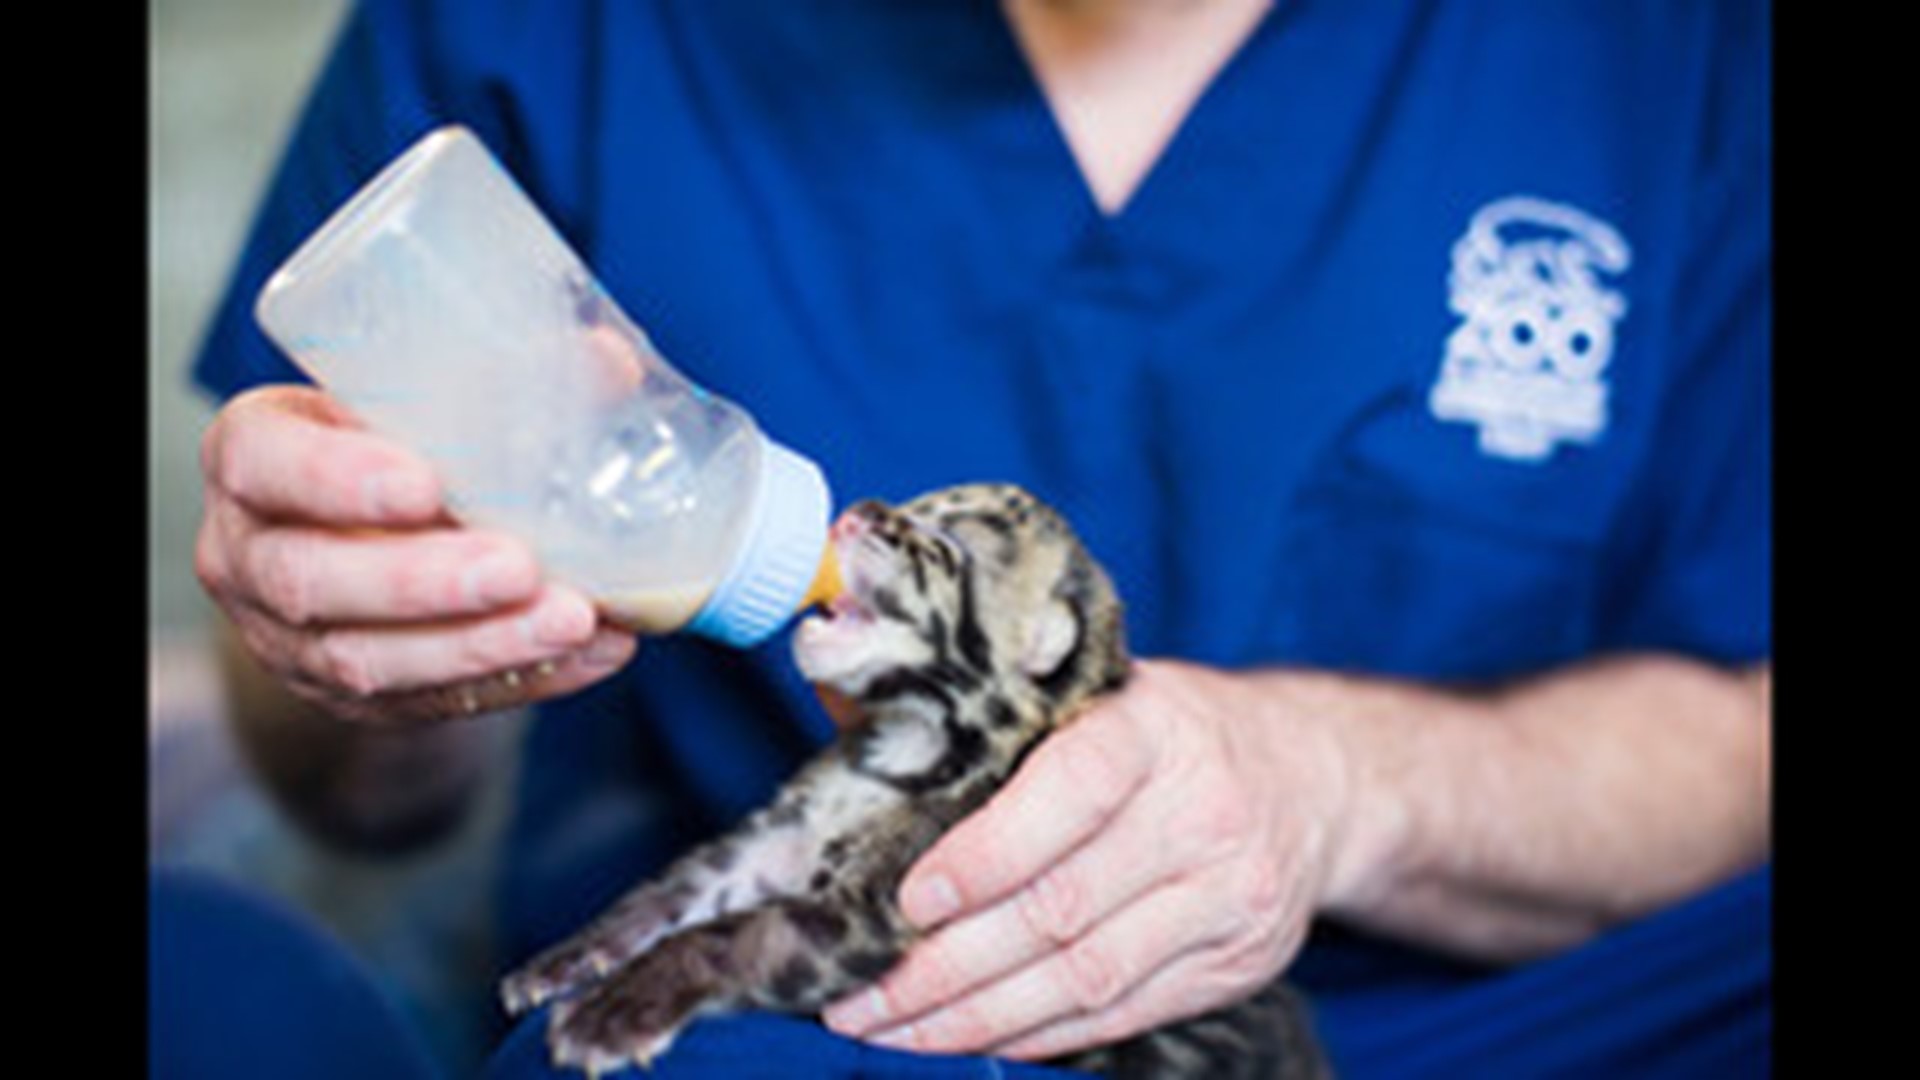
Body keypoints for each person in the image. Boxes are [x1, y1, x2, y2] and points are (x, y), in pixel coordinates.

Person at [187, 0, 1771, 1076]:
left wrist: (1336, 789)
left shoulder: (1690, 60)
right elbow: (355, 795)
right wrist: (370, 659)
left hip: (1531, 1021)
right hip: (823, 1014)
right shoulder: (548, 37)